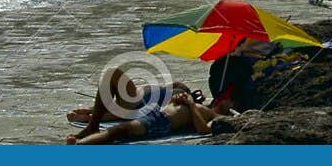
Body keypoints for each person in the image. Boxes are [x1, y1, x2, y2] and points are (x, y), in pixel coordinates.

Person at [66, 66, 197, 137]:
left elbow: (167, 110)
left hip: (139, 105)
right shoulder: (164, 90)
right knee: (112, 77)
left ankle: (91, 122)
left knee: (112, 73)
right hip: (135, 101)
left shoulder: (179, 96)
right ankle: (90, 116)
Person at [68, 90, 219, 145]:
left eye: (227, 102)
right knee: (121, 127)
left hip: (161, 121)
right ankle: (88, 129)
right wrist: (176, 100)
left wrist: (191, 105)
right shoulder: (205, 106)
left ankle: (80, 144)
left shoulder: (215, 116)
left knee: (121, 129)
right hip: (155, 113)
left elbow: (204, 130)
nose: (223, 102)